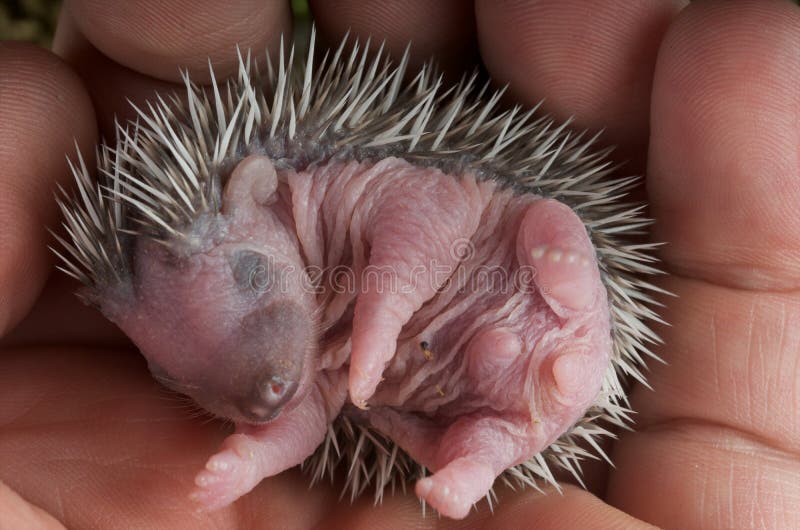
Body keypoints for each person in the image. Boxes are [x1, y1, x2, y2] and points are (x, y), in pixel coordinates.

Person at [1, 0, 798, 527]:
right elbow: (296, 407)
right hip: (451, 396)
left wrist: (377, 332)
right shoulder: (278, 354)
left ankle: (563, 356)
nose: (260, 379)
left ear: (259, 192)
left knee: (548, 238)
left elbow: (418, 247)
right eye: (179, 374)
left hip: (524, 300)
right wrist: (252, 453)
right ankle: (477, 459)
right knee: (376, 418)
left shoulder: (357, 191)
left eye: (251, 283)